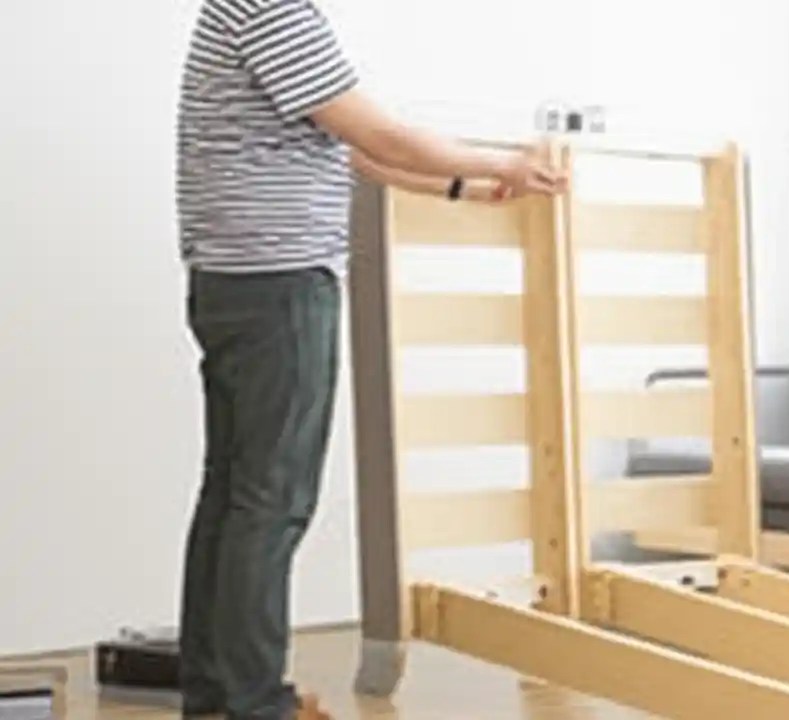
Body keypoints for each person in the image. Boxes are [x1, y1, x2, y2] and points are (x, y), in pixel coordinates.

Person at [176, 1, 565, 718]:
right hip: (279, 283)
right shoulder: (273, 10)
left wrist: (455, 186)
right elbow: (380, 131)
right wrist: (502, 161)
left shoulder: (236, 10)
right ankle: (253, 703)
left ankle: (218, 695)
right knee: (272, 501)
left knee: (234, 495)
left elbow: (340, 146)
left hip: (235, 280)